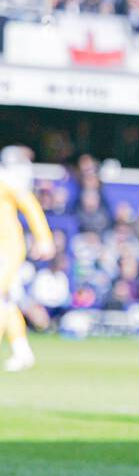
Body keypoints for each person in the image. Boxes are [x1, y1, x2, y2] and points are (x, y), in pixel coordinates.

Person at [0, 146, 54, 372]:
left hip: (6, 246)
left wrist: (44, 238)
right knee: (7, 301)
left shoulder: (6, 179)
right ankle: (22, 352)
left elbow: (30, 206)